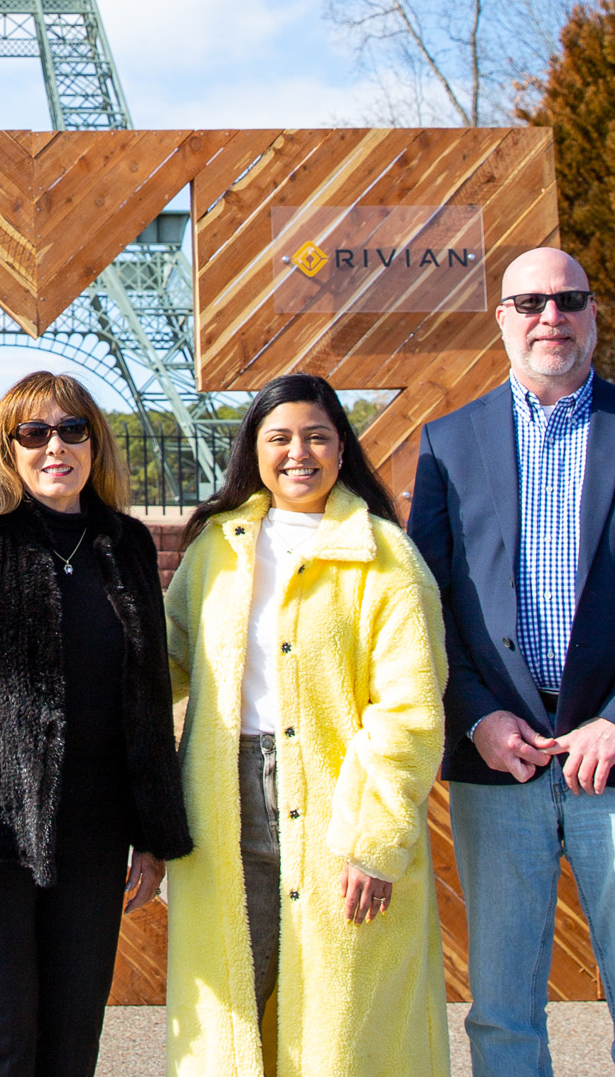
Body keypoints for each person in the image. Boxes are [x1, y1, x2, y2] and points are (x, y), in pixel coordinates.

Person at [408, 247, 615, 1077]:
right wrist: (476, 716)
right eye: (531, 302)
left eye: (569, 300)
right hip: (499, 758)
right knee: (504, 1016)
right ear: (503, 321)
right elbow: (429, 604)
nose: (551, 316)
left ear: (592, 315)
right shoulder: (448, 442)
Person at [0, 371, 190, 1077]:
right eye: (33, 432)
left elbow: (147, 697)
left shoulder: (126, 545)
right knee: (4, 1038)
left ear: (95, 441)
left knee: (73, 1037)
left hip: (96, 830)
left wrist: (152, 835)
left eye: (71, 429)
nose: (53, 445)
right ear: (8, 448)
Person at [164, 373, 449, 1077]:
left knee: (341, 1033)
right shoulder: (213, 551)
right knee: (226, 1027)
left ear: (343, 449)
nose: (300, 453)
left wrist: (377, 841)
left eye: (318, 436)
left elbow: (409, 710)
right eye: (280, 438)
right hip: (221, 813)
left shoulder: (386, 558)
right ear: (253, 452)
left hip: (338, 814)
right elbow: (158, 665)